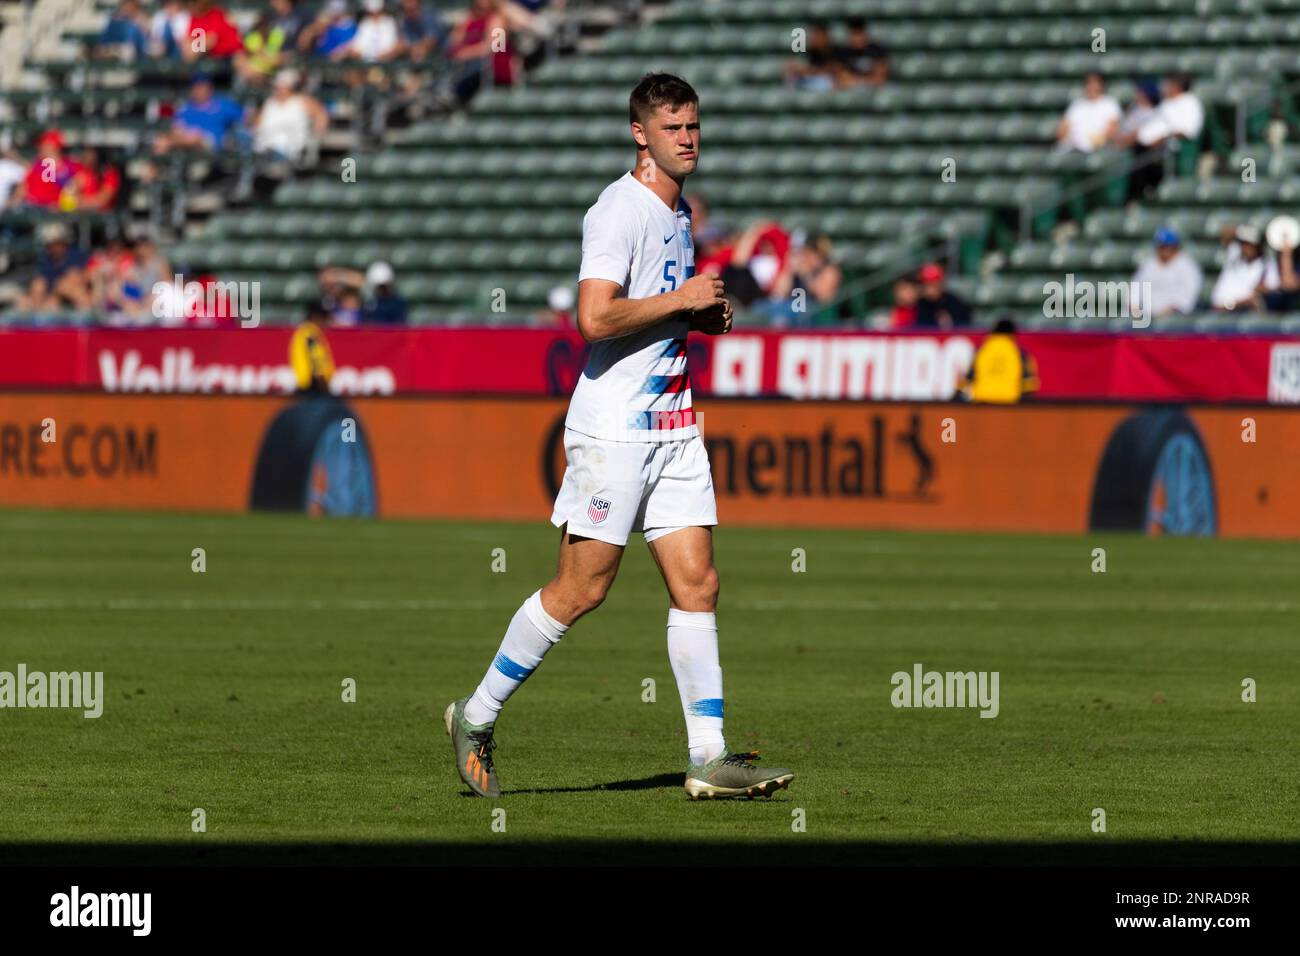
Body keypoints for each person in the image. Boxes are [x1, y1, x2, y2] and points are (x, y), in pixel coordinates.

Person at [444, 73, 794, 802]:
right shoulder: (618, 210)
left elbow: (655, 310)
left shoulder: (679, 208)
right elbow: (594, 319)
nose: (689, 138)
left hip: (673, 424)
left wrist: (694, 317)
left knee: (699, 583)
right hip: (615, 430)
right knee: (582, 589)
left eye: (694, 125)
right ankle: (474, 716)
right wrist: (685, 299)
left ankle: (708, 757)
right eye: (673, 128)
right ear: (641, 134)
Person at [152, 76, 245, 154]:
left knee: (196, 138)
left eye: (202, 86)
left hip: (211, 145)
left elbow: (245, 117)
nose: (198, 90)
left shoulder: (223, 104)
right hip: (184, 144)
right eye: (195, 86)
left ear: (210, 87)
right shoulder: (185, 106)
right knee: (160, 140)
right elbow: (155, 110)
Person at [253, 70, 328, 164]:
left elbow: (321, 114)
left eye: (281, 86)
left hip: (287, 150)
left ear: (290, 87)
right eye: (276, 87)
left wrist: (315, 139)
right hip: (262, 148)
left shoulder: (301, 101)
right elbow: (257, 125)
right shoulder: (270, 102)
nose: (277, 89)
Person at [960, 318, 1039, 404]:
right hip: (1009, 402)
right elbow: (1028, 385)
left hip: (982, 401)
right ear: (1013, 334)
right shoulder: (1020, 353)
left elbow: (967, 381)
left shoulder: (981, 351)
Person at [1131, 227, 1202, 318]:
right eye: (1161, 246)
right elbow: (1136, 287)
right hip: (1145, 316)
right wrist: (1134, 305)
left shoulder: (1187, 266)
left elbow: (1189, 295)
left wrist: (1173, 309)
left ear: (1175, 247)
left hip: (1175, 318)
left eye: (1166, 246)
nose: (1163, 250)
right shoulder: (1149, 264)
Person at [19, 223, 91, 311]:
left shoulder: (76, 256)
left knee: (73, 290)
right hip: (52, 296)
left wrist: (59, 289)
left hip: (74, 295)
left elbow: (77, 278)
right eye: (50, 244)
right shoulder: (46, 260)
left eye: (57, 242)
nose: (54, 247)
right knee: (35, 292)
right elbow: (41, 283)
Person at [1211, 224, 1278, 311]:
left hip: (1239, 312)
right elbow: (1226, 233)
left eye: (1249, 244)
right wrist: (1241, 231)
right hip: (1216, 310)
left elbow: (1270, 290)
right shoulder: (1234, 255)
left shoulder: (1267, 265)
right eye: (1243, 244)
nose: (1245, 248)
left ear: (1257, 246)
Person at [1056, 72, 1120, 153]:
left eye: (1095, 83)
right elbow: (1063, 129)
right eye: (1088, 83)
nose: (1091, 86)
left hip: (1097, 148)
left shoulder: (1110, 103)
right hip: (1072, 148)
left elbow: (1112, 131)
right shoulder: (1076, 104)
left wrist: (1096, 142)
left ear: (1101, 85)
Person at [290, 304, 337, 393]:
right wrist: (322, 382)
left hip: (308, 383)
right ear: (315, 317)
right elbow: (315, 360)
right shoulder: (310, 334)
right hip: (312, 385)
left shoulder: (305, 332)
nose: (326, 323)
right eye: (325, 319)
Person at [833, 18, 889, 88]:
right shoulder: (843, 52)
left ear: (865, 34)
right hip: (851, 89)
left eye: (859, 34)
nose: (857, 39)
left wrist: (861, 82)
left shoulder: (877, 50)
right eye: (854, 35)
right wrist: (861, 82)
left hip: (874, 89)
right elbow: (841, 77)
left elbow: (880, 77)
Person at [913, 263, 972, 328]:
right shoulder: (917, 304)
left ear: (941, 284)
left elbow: (967, 326)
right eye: (926, 284)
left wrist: (952, 324)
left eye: (933, 284)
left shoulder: (956, 304)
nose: (929, 289)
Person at [783, 21, 837, 91]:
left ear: (825, 36)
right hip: (812, 83)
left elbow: (834, 69)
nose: (813, 38)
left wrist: (812, 70)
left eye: (817, 35)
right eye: (813, 35)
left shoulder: (837, 51)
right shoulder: (811, 52)